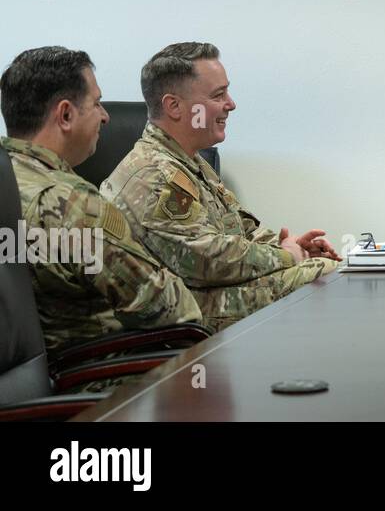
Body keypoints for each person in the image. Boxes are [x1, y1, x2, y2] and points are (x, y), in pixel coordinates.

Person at [104, 43, 339, 330]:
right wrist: (285, 257)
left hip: (208, 294)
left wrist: (285, 245)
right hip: (181, 316)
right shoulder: (154, 174)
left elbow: (238, 229)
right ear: (174, 106)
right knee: (322, 277)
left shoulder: (188, 160)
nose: (231, 103)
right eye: (219, 95)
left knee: (327, 272)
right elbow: (205, 260)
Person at [0, 47, 202, 354]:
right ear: (65, 115)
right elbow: (172, 312)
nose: (106, 116)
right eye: (96, 103)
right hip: (99, 380)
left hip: (28, 388)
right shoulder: (71, 205)